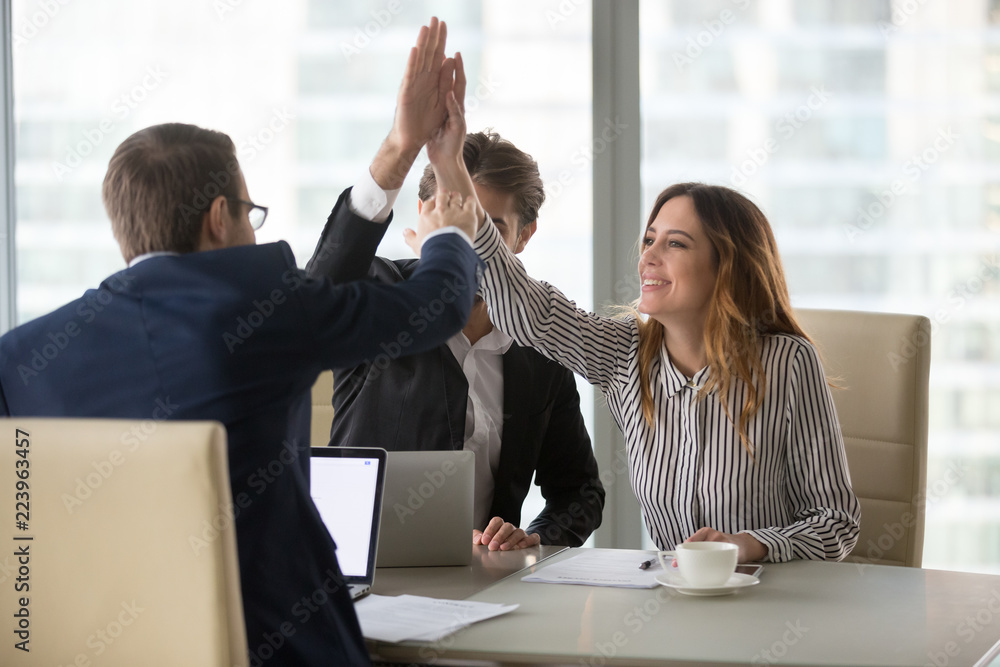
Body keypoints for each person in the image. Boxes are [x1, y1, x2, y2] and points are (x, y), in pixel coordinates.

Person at [0, 20, 480, 665]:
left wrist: (398, 151)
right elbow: (439, 304)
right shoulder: (258, 317)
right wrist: (452, 226)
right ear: (217, 217)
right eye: (251, 213)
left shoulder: (22, 360)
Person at [415, 88, 861, 563]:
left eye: (676, 244)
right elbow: (532, 313)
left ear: (726, 267)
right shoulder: (624, 353)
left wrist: (751, 545)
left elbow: (836, 523)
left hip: (772, 605)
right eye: (650, 239)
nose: (648, 256)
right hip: (674, 606)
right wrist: (457, 190)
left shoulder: (788, 362)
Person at [306, 61, 604, 548]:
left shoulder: (539, 340)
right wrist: (400, 148)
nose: (472, 249)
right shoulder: (378, 293)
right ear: (424, 216)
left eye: (491, 231)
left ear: (524, 236)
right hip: (365, 578)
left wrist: (533, 541)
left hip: (484, 590)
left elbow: (579, 491)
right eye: (460, 223)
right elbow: (319, 288)